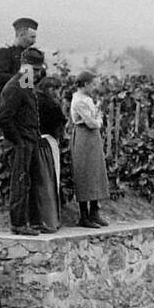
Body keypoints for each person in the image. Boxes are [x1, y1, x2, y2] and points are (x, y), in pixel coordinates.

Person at [0, 47, 46, 236]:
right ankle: (18, 223)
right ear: (25, 67)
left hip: (30, 140)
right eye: (36, 69)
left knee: (30, 181)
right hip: (21, 142)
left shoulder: (26, 83)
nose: (39, 73)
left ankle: (32, 221)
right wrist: (18, 141)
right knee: (20, 182)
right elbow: (3, 119)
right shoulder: (15, 86)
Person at [69, 70, 111, 227]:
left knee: (95, 172)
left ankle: (94, 212)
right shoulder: (79, 101)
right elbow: (92, 123)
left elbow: (96, 119)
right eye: (93, 84)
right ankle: (84, 216)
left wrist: (97, 118)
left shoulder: (86, 99)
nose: (95, 87)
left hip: (92, 138)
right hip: (84, 137)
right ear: (85, 84)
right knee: (84, 173)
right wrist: (98, 119)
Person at [0, 16, 38, 120]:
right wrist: (21, 79)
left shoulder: (32, 55)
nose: (34, 41)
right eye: (32, 37)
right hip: (7, 103)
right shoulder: (5, 53)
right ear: (21, 35)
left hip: (24, 106)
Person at [34, 75, 64, 233]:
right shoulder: (52, 105)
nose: (58, 93)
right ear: (50, 89)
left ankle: (39, 219)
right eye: (56, 89)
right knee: (51, 181)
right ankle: (50, 220)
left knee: (39, 183)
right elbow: (59, 125)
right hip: (49, 143)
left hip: (34, 142)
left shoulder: (34, 99)